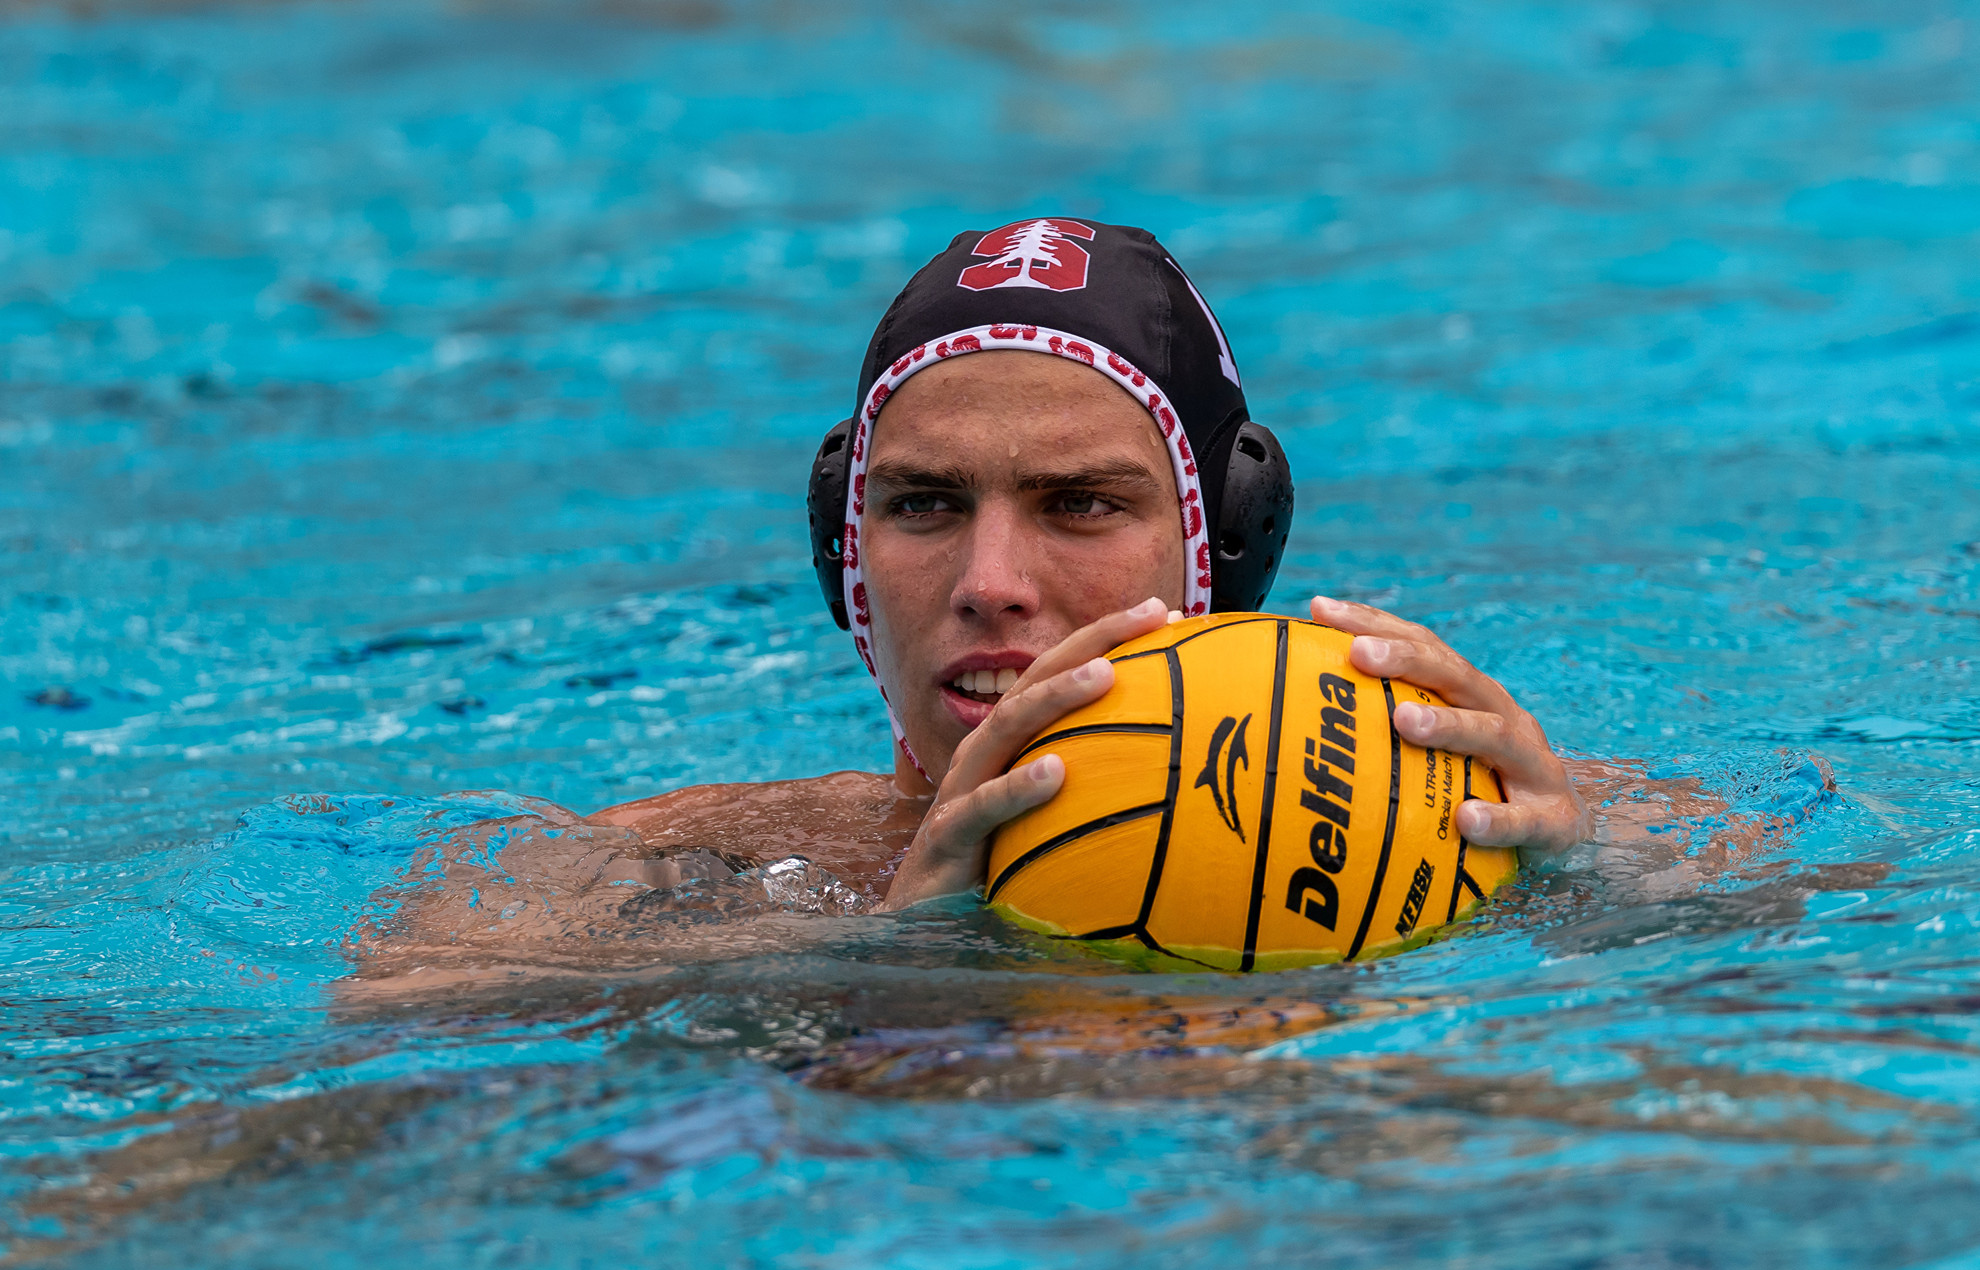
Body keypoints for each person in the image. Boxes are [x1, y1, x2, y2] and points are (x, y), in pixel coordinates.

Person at [351, 218, 1592, 986]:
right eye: (925, 505)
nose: (989, 584)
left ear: (1223, 544)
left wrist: (1589, 889)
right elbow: (374, 1045)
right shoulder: (664, 869)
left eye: (1081, 504)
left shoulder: (1506, 815)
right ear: (846, 552)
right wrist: (896, 953)